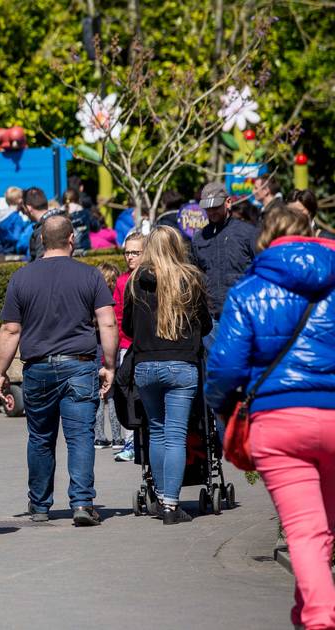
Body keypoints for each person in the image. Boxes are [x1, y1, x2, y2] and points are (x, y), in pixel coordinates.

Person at [205, 208, 335, 630]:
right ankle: (307, 613)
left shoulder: (249, 290)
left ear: (265, 241)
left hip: (278, 421)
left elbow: (224, 370)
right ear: (311, 233)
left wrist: (225, 411)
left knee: (303, 531)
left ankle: (318, 619)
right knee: (324, 531)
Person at [0, 214, 117, 526]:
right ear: (72, 239)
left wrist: (0, 372)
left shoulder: (21, 278)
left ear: (41, 242)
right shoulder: (90, 276)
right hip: (79, 366)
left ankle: (39, 505)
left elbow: (10, 330)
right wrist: (110, 365)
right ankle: (82, 502)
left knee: (40, 438)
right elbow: (107, 321)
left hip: (38, 369)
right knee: (80, 437)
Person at [124, 227, 212, 524]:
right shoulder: (190, 279)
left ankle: (162, 497)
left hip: (146, 364)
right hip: (181, 363)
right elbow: (206, 324)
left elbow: (127, 326)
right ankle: (171, 505)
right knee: (176, 435)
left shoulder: (136, 282)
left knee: (157, 432)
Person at [190, 181, 257, 332]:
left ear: (228, 203)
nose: (212, 212)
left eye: (215, 207)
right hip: (210, 318)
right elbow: (194, 275)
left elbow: (261, 270)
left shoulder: (247, 233)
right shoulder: (199, 238)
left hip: (241, 314)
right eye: (208, 209)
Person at [112, 232, 145, 462]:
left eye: (135, 252)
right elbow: (116, 316)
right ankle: (130, 442)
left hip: (148, 347)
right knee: (127, 394)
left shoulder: (153, 276)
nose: (129, 257)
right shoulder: (122, 281)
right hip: (126, 345)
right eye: (127, 252)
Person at [92, 262, 124, 450]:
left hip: (95, 352)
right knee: (112, 396)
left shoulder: (92, 302)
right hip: (112, 350)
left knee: (98, 396)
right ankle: (118, 437)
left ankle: (99, 437)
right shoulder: (114, 302)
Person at [27, 187, 91, 259]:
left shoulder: (57, 217)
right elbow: (95, 227)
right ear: (78, 200)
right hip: (83, 249)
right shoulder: (84, 213)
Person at [0, 186, 34, 256]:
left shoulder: (2, 216)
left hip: (3, 251)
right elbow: (16, 237)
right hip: (13, 251)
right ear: (20, 201)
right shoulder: (16, 218)